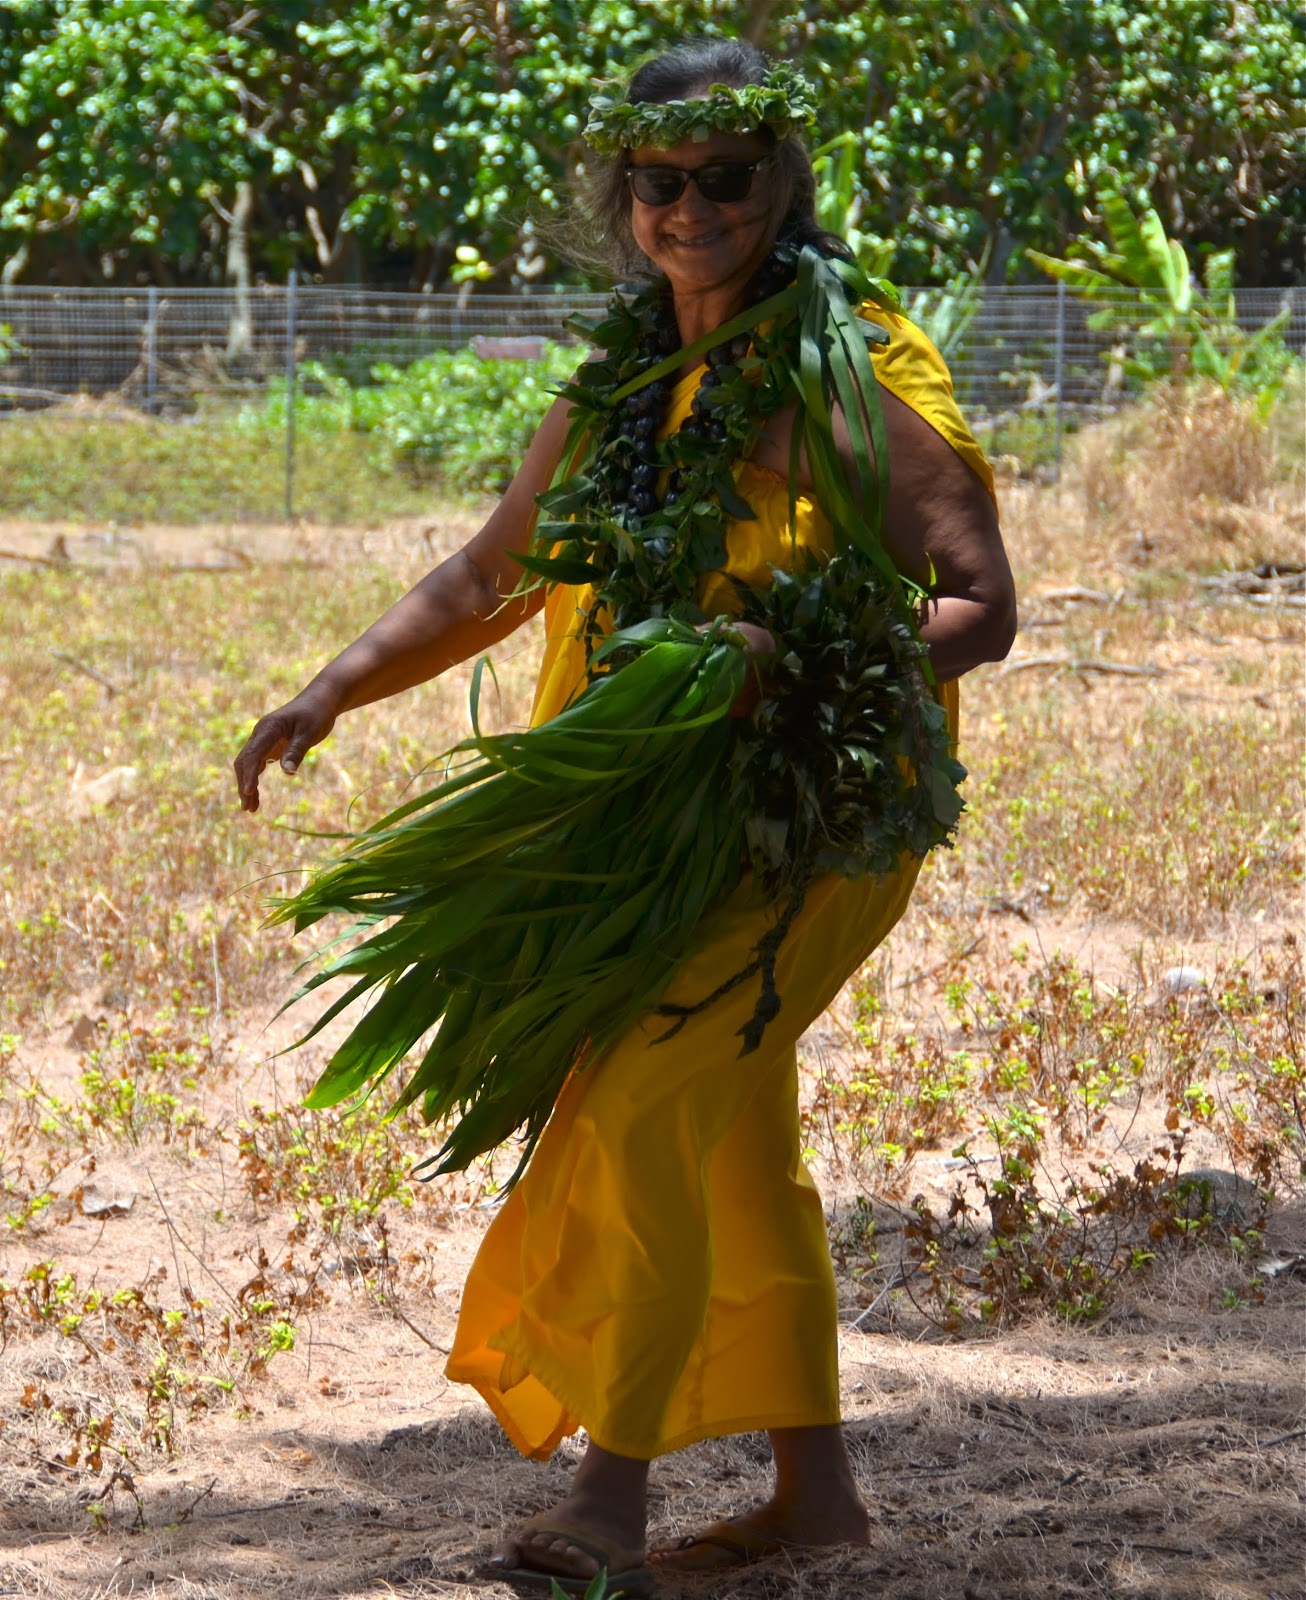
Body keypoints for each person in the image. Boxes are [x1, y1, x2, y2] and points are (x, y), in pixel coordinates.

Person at [233, 38, 1015, 1596]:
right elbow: (485, 577)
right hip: (635, 819)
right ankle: (816, 1500)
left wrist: (782, 668)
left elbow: (980, 608)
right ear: (625, 197)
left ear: (780, 181)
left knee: (652, 1099)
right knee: (729, 1147)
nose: (690, 209)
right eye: (658, 183)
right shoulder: (620, 384)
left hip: (814, 819)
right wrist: (327, 691)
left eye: (724, 179)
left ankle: (615, 1488)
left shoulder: (852, 368)